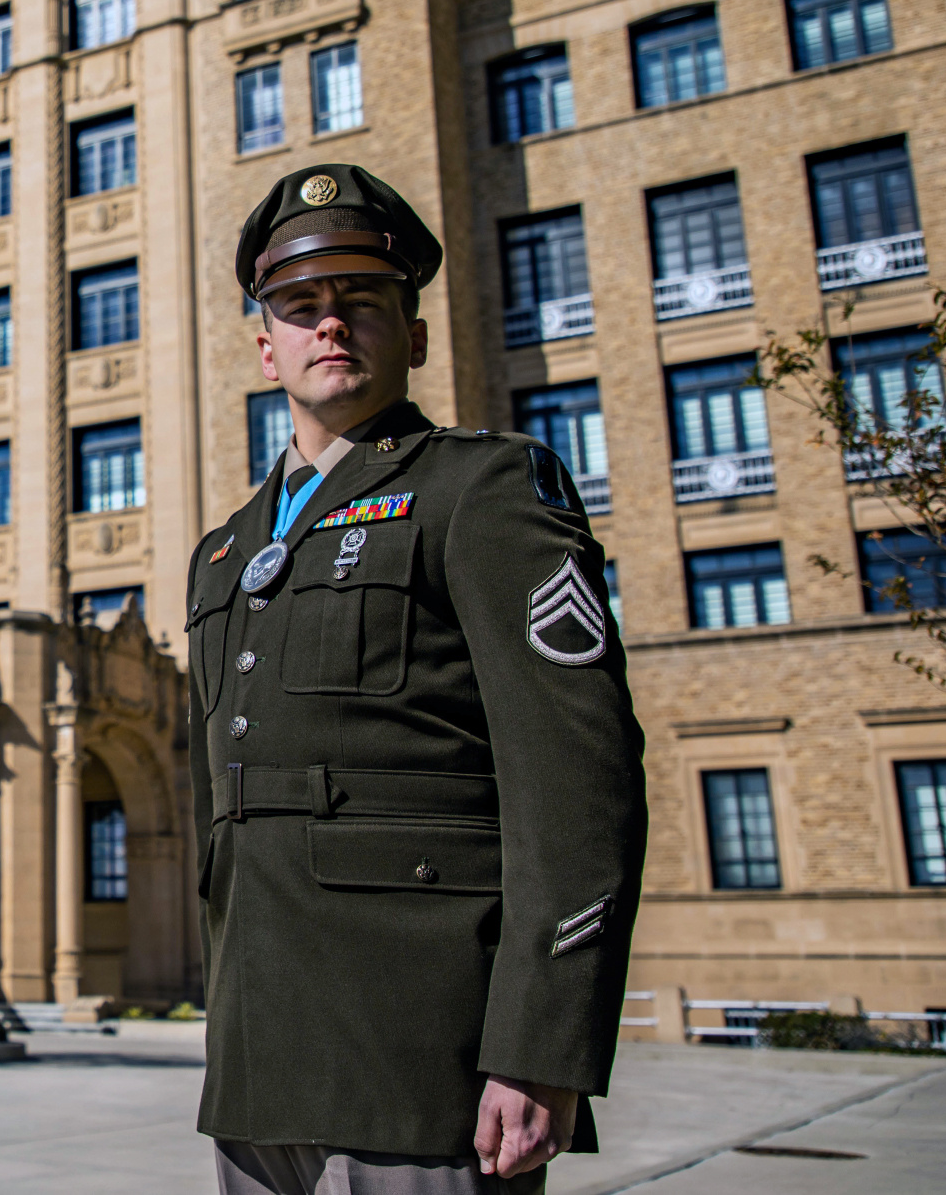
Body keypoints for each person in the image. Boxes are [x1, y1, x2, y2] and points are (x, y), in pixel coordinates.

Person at [186, 162, 647, 1195]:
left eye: (361, 299)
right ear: (267, 349)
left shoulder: (482, 488)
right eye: (300, 306)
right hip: (259, 1063)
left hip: (423, 1054)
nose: (330, 323)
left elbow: (578, 780)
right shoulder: (224, 553)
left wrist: (542, 1044)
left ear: (418, 336)